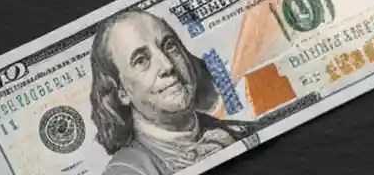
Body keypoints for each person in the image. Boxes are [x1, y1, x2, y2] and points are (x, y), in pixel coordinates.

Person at [89, 11, 255, 175]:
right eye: (141, 60)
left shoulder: (235, 132)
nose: (168, 65)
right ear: (121, 92)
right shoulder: (126, 170)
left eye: (169, 46)